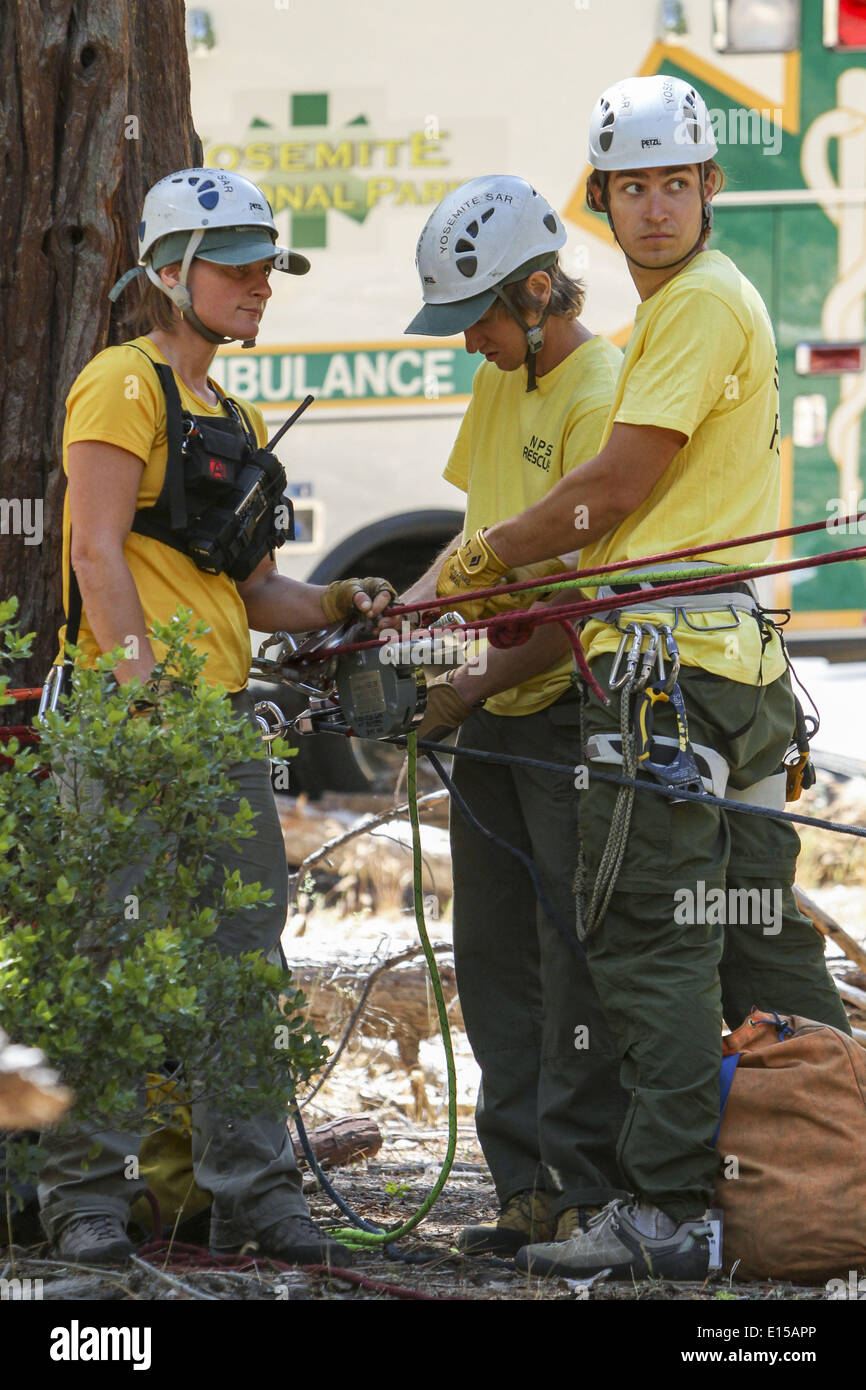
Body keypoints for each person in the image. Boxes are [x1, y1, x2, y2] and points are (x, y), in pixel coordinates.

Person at [432, 79, 851, 1280]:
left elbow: (605, 497)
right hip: (732, 670)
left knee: (648, 941)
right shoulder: (694, 307)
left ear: (708, 188)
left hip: (669, 679)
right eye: (632, 188)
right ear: (603, 203)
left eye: (675, 183)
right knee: (756, 934)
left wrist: (476, 560)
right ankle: (835, 1167)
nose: (655, 207)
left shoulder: (694, 310)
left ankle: (663, 1208)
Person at [38, 167, 395, 1267]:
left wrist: (338, 601)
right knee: (106, 958)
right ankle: (82, 1203)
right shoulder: (120, 384)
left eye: (264, 266)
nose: (259, 284)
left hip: (217, 724)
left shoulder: (229, 415)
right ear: (168, 271)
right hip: (125, 720)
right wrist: (147, 701)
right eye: (236, 266)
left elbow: (251, 592)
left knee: (243, 963)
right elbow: (95, 551)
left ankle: (257, 1195)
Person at [401, 174, 629, 1254]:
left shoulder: (600, 392)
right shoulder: (503, 380)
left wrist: (461, 687)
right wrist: (398, 625)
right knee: (489, 950)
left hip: (563, 714)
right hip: (496, 709)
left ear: (538, 293)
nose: (466, 344)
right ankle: (521, 1189)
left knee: (568, 950)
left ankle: (587, 1189)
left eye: (478, 319)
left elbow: (578, 601)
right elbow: (472, 534)